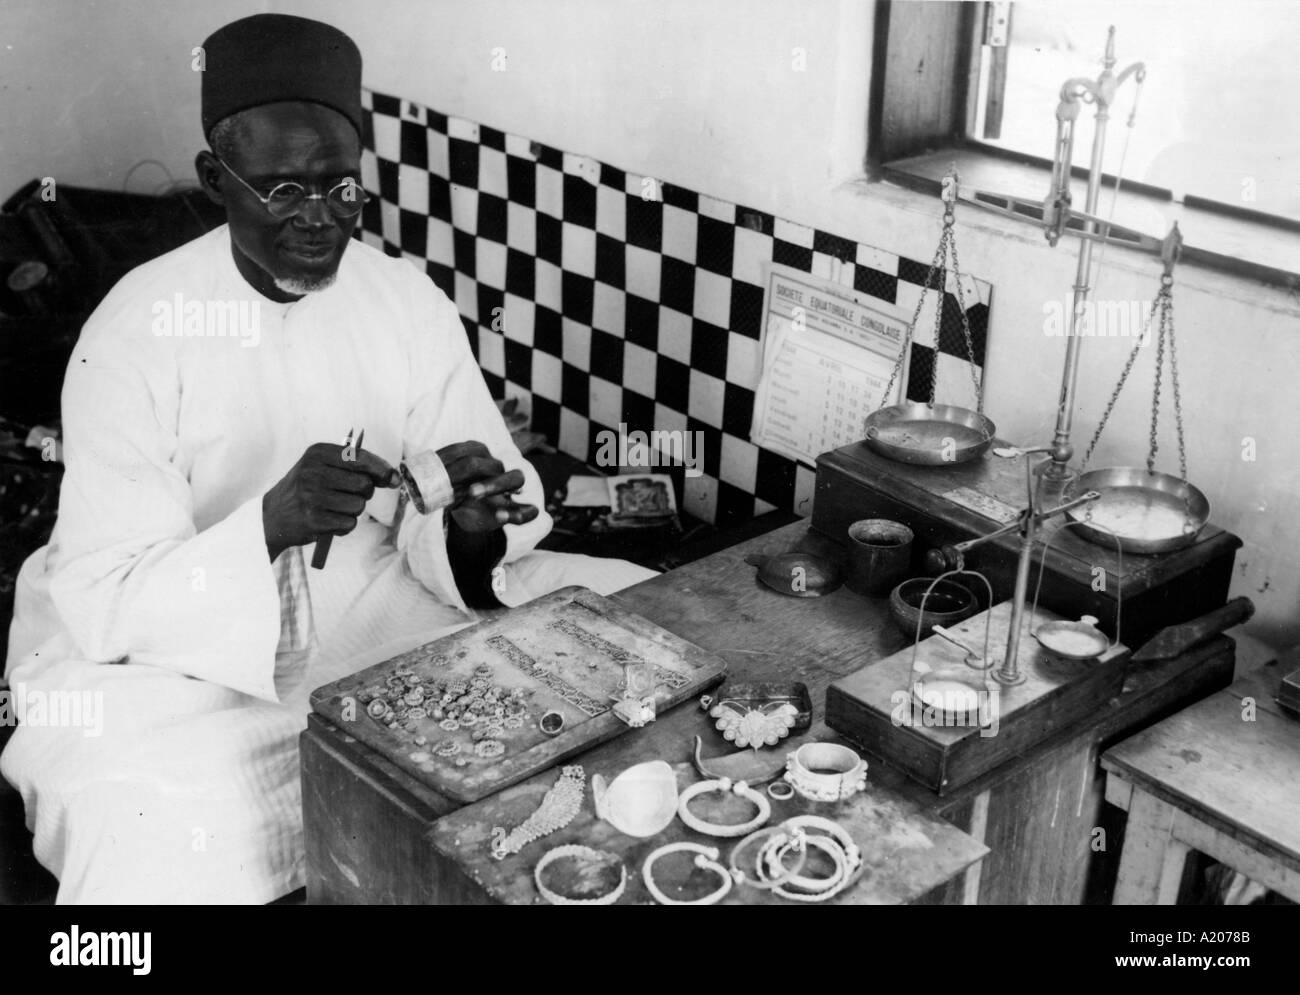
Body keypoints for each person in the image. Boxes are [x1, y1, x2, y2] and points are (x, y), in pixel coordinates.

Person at [1, 13, 654, 904]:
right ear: (213, 180)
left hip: (383, 603)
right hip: (181, 661)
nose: (318, 222)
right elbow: (108, 590)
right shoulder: (135, 330)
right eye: (280, 192)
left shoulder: (401, 301)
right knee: (151, 818)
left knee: (627, 626)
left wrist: (467, 527)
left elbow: (481, 520)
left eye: (339, 190)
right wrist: (266, 526)